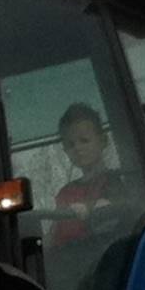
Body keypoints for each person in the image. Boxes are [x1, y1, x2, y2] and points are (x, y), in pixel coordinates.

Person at [52, 102, 117, 245]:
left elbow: (130, 211)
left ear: (103, 141)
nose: (78, 148)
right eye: (70, 144)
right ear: (65, 150)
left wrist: (93, 208)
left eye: (84, 140)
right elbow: (54, 237)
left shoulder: (118, 181)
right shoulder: (65, 194)